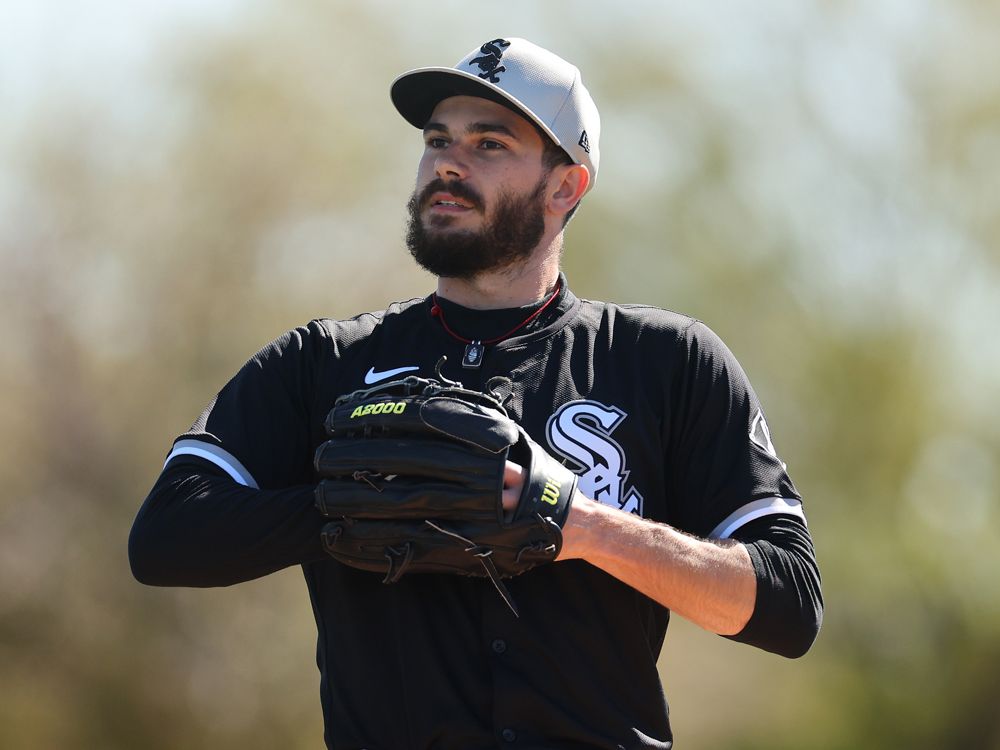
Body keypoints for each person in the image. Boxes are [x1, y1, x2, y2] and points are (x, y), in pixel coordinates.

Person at [129, 37, 823, 749]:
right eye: (437, 140)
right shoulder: (328, 362)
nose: (447, 164)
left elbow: (788, 604)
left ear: (565, 186)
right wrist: (355, 506)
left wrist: (581, 526)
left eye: (489, 143)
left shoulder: (665, 362)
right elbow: (165, 538)